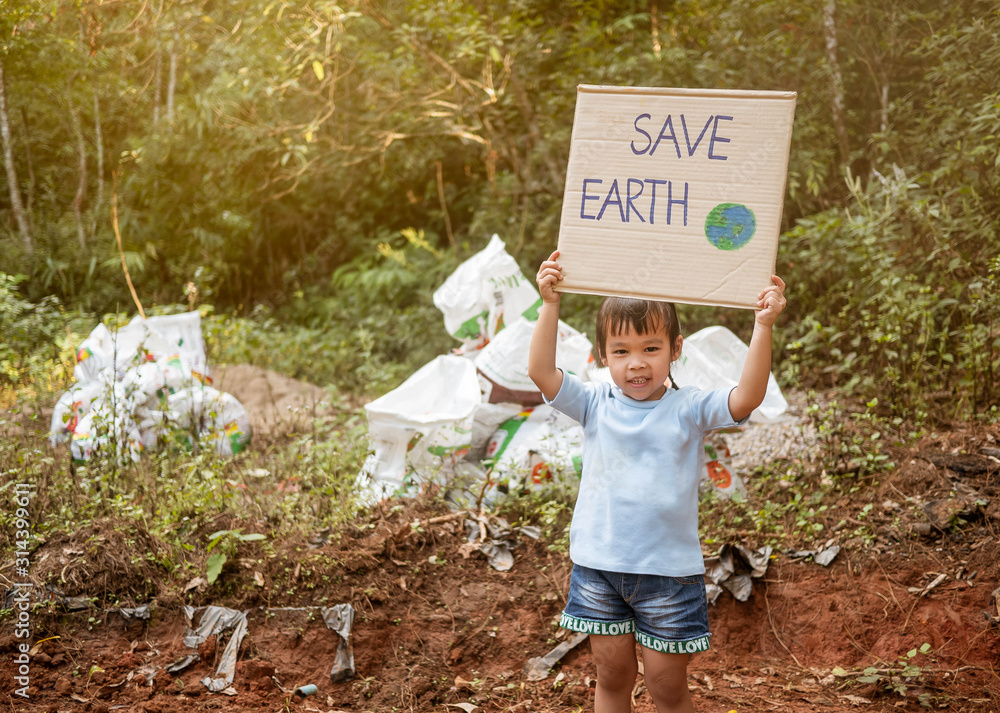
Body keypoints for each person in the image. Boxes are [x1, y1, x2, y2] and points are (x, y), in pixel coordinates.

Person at [527, 249, 786, 713]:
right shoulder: (594, 402)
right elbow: (541, 373)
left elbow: (746, 398)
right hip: (600, 568)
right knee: (612, 676)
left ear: (676, 348)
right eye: (621, 352)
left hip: (667, 575)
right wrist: (550, 304)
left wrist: (762, 326)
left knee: (666, 688)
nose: (637, 364)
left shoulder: (688, 408)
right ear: (603, 354)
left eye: (651, 348)